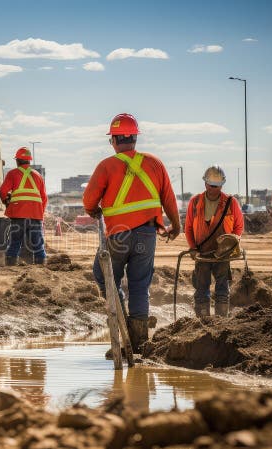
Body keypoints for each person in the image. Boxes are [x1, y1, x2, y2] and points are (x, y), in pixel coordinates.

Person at [84, 113, 180, 353]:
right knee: (139, 285)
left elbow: (89, 200)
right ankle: (139, 343)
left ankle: (122, 332)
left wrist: (93, 210)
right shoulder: (155, 163)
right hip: (147, 235)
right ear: (135, 138)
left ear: (114, 140)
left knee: (104, 275)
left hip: (118, 236)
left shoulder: (107, 165)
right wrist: (175, 226)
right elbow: (168, 197)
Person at [184, 165, 244, 317]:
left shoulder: (231, 202)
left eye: (218, 186)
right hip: (202, 254)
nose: (215, 189)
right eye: (212, 186)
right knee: (201, 289)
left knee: (222, 289)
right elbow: (189, 227)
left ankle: (220, 322)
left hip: (222, 255)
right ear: (205, 184)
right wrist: (193, 248)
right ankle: (203, 323)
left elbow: (239, 227)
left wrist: (232, 244)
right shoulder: (195, 202)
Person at [0, 146, 48, 265]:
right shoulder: (38, 176)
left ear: (17, 161)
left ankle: (11, 267)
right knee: (38, 244)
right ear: (29, 160)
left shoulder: (12, 173)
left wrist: (6, 202)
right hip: (35, 216)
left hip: (18, 215)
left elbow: (3, 191)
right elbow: (44, 198)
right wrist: (40, 214)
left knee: (15, 242)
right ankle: (42, 269)